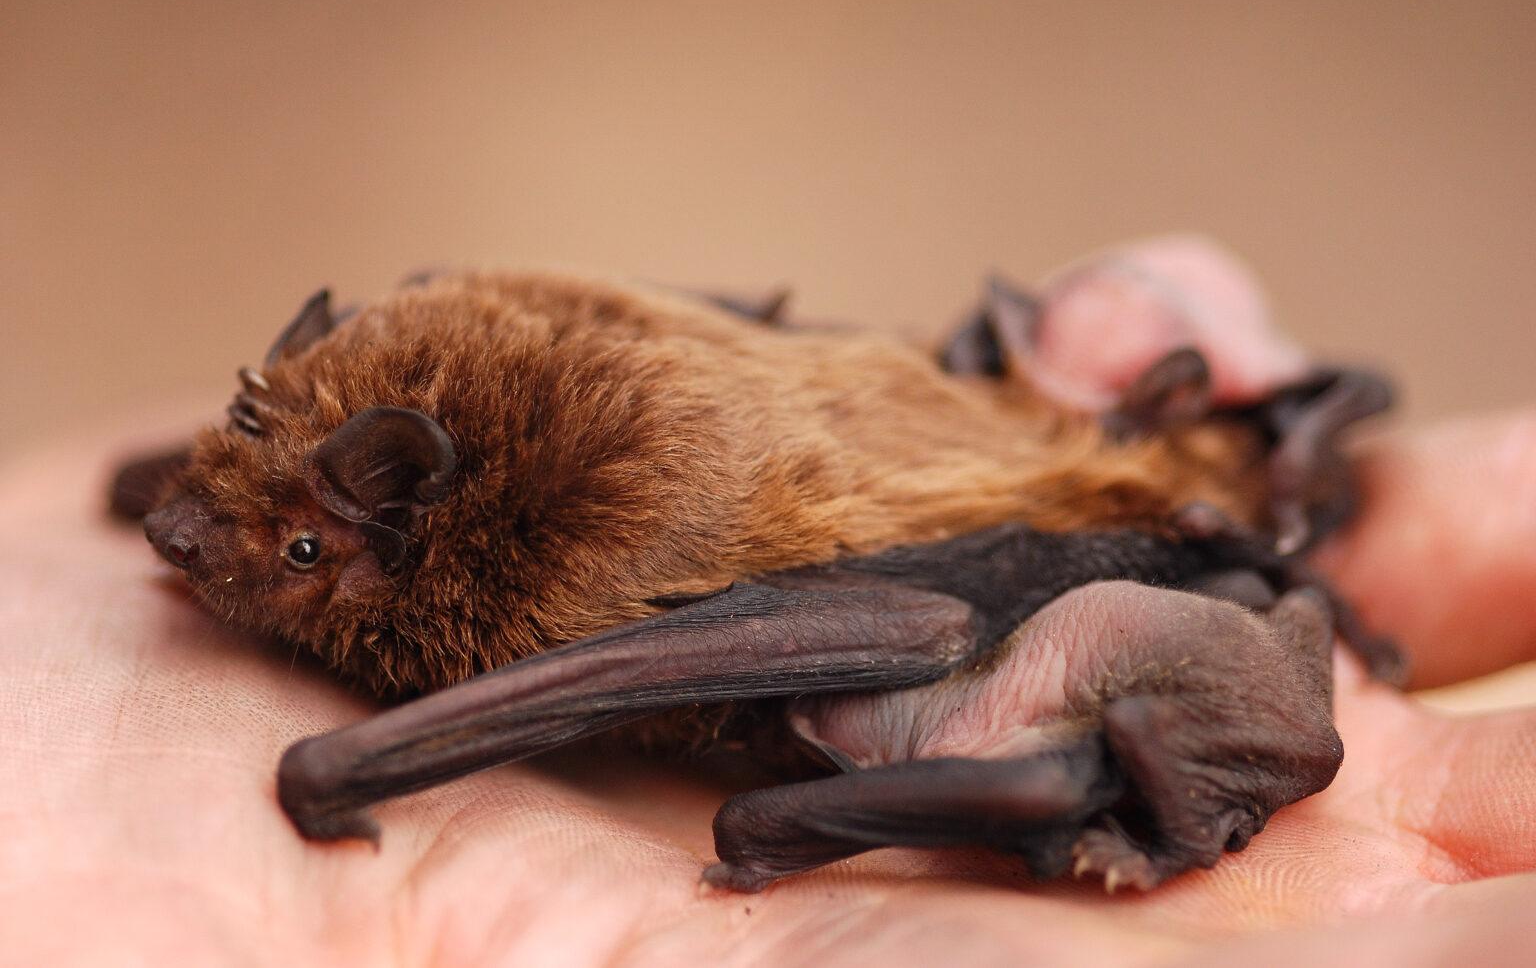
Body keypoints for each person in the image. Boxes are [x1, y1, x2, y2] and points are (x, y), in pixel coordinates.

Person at [3, 238, 1533, 964]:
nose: (197, 548)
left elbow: (911, 625)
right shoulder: (496, 342)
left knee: (898, 643)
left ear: (407, 522)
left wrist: (347, 769)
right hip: (848, 461)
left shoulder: (592, 567)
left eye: (302, 550)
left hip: (938, 552)